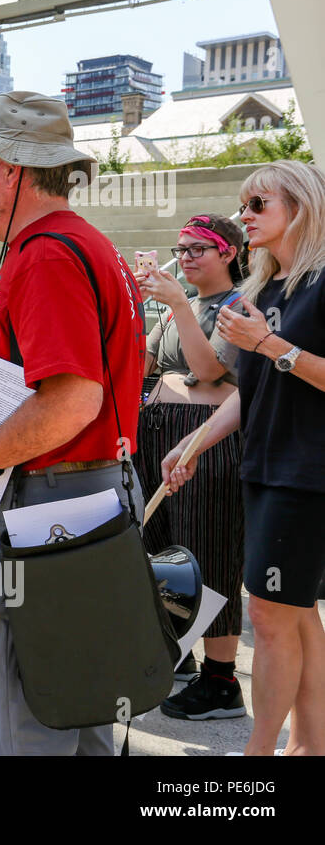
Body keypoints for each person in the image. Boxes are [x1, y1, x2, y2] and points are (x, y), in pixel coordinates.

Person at [0, 91, 146, 755]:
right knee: (75, 700)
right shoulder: (80, 244)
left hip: (40, 507)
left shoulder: (48, 253)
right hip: (80, 499)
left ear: (10, 168)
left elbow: (71, 401)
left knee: (22, 708)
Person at [162, 160, 325, 756]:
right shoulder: (263, 289)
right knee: (297, 617)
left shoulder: (320, 281)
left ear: (300, 207)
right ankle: (309, 746)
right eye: (243, 204)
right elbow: (252, 395)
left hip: (304, 476)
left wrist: (274, 347)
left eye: (258, 204)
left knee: (271, 618)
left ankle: (259, 758)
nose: (245, 216)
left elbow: (283, 364)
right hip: (265, 469)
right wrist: (192, 444)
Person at [135, 214, 248, 721]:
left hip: (207, 439)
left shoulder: (240, 302)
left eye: (198, 248)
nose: (184, 258)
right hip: (159, 431)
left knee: (209, 553)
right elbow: (146, 368)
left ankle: (222, 682)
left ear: (228, 252)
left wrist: (177, 302)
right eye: (180, 248)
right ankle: (180, 651)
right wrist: (138, 310)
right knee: (162, 552)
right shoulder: (180, 305)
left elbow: (209, 372)